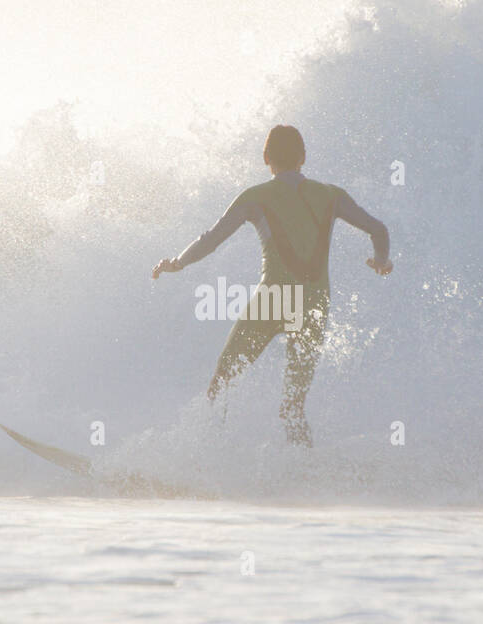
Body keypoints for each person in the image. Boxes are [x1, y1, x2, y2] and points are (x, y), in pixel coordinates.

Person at [151, 125, 392, 446]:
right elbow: (378, 229)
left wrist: (178, 262)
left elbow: (211, 239)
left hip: (273, 301)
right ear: (303, 158)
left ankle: (204, 462)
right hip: (314, 306)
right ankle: (305, 473)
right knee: (293, 408)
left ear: (266, 158)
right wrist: (380, 260)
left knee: (221, 384)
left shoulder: (255, 197)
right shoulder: (332, 196)